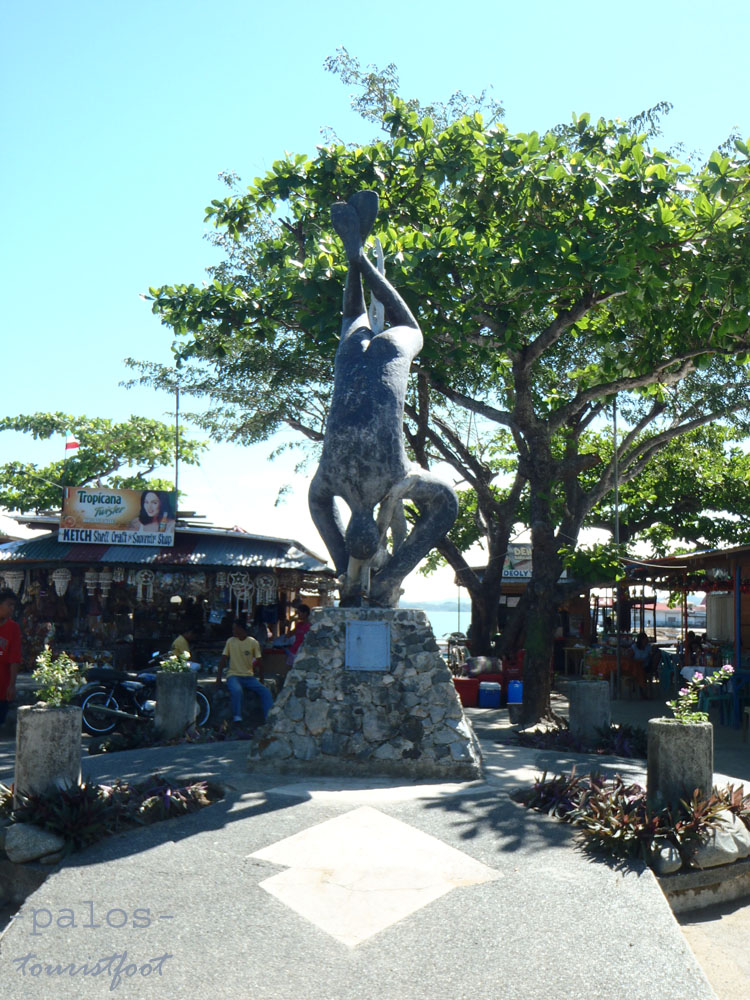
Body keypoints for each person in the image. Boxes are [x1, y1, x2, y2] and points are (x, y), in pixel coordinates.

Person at [308, 190, 457, 607]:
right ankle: (355, 261)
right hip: (353, 359)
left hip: (385, 355)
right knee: (351, 319)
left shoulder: (392, 477)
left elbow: (446, 503)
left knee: (407, 326)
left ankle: (358, 259)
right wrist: (386, 574)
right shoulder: (329, 478)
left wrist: (347, 567)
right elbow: (318, 504)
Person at [216, 619, 273, 723]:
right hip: (233, 675)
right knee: (237, 690)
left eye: (235, 628)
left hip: (249, 677)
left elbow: (260, 662)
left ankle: (269, 718)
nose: (233, 630)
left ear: (241, 629)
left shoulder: (253, 642)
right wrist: (218, 678)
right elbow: (223, 660)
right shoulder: (230, 641)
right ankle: (237, 717)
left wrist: (261, 679)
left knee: (266, 692)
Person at [0, 589, 22, 727]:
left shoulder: (13, 628)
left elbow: (15, 658)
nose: (12, 609)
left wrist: (12, 685)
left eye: (14, 606)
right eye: (9, 605)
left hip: (2, 684)